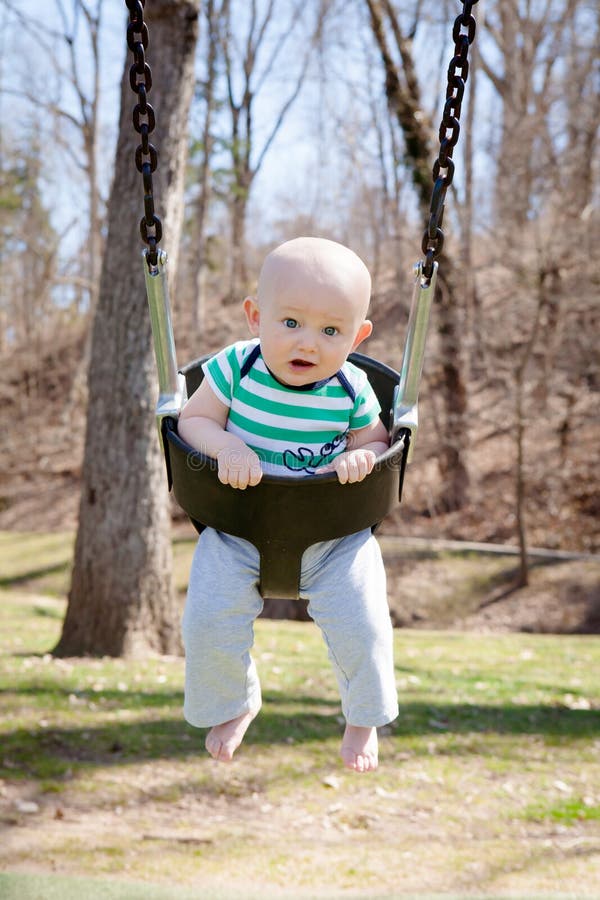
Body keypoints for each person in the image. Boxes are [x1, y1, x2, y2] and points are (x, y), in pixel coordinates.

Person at [178, 236, 398, 773]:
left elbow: (375, 440)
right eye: (291, 323)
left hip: (334, 534)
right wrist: (227, 445)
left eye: (331, 331)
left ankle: (364, 715)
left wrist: (360, 458)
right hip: (237, 527)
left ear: (357, 335)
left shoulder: (353, 388)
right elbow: (193, 420)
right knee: (207, 619)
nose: (309, 344)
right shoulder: (235, 367)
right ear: (256, 317)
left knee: (365, 623)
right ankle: (235, 701)